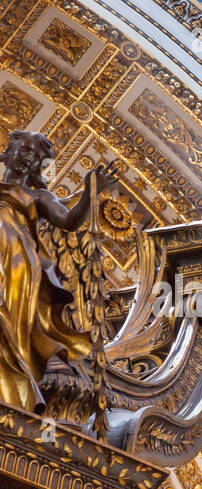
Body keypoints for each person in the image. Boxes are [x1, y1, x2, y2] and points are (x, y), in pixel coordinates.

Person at [0, 130, 117, 410]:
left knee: (8, 320)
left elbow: (68, 220)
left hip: (15, 261)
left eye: (35, 157)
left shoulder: (37, 195)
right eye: (24, 150)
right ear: (9, 151)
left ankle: (12, 382)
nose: (27, 159)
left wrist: (90, 193)